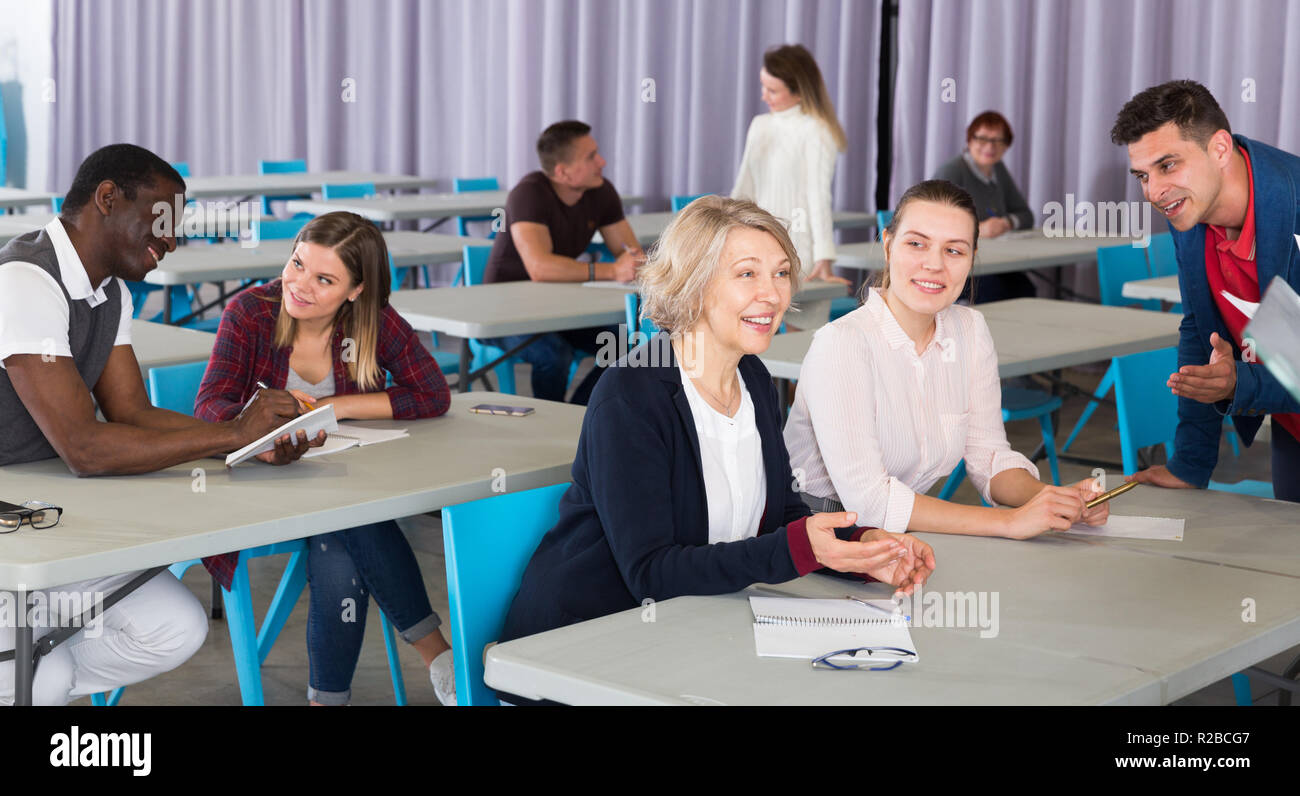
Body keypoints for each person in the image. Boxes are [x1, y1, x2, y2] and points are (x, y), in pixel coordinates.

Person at [498, 197, 935, 703]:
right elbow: (652, 572)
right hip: (582, 647)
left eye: (781, 273)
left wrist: (862, 550)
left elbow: (780, 518)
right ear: (694, 284)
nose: (772, 294)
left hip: (689, 631)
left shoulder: (753, 376)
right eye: (747, 274)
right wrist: (801, 550)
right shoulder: (630, 394)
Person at [0, 144, 315, 705]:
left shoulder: (111, 293)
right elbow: (84, 449)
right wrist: (230, 434)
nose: (172, 240)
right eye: (162, 220)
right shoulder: (24, 278)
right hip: (11, 532)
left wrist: (246, 445)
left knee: (174, 626)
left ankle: (36, 670)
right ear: (106, 199)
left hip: (43, 520)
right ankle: (33, 675)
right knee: (38, 679)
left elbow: (133, 414)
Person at [195, 212, 459, 704]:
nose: (299, 285)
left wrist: (332, 408)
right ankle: (437, 655)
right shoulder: (250, 312)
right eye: (297, 264)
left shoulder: (373, 319)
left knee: (341, 529)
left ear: (356, 290)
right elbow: (209, 406)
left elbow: (432, 394)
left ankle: (326, 700)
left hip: (336, 489)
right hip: (255, 487)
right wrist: (264, 423)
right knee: (355, 518)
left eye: (324, 279)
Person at [783, 180, 1109, 539]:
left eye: (954, 251)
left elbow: (988, 457)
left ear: (972, 258)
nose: (934, 264)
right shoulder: (842, 344)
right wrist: (1010, 522)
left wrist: (1048, 498)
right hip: (813, 537)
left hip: (893, 537)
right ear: (889, 245)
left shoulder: (969, 329)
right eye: (917, 244)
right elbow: (871, 502)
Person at [1112, 80, 1300, 503]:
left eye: (1168, 165)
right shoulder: (1188, 209)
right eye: (1143, 175)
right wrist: (1190, 464)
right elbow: (1201, 330)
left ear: (1219, 149)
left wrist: (1241, 383)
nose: (1154, 192)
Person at [483, 119, 644, 404]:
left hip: (558, 309)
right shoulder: (528, 194)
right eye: (591, 157)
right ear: (562, 172)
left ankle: (581, 413)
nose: (602, 162)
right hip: (503, 313)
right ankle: (549, 428)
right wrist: (613, 270)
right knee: (554, 355)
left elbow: (629, 251)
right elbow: (540, 267)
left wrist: (632, 262)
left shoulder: (600, 191)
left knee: (632, 344)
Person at [732, 43, 850, 328]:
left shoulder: (816, 131)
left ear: (798, 92)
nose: (763, 96)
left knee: (800, 341)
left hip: (800, 252)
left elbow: (818, 197)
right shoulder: (760, 126)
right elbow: (743, 188)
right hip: (758, 246)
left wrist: (824, 257)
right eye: (763, 87)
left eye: (772, 91)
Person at [932, 111, 1037, 303]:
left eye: (998, 141)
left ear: (1006, 146)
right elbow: (933, 222)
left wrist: (1006, 223)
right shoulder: (952, 171)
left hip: (994, 261)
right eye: (982, 139)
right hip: (958, 265)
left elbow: (1026, 215)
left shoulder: (998, 170)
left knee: (1026, 288)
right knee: (995, 292)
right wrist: (978, 230)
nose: (990, 146)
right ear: (970, 140)